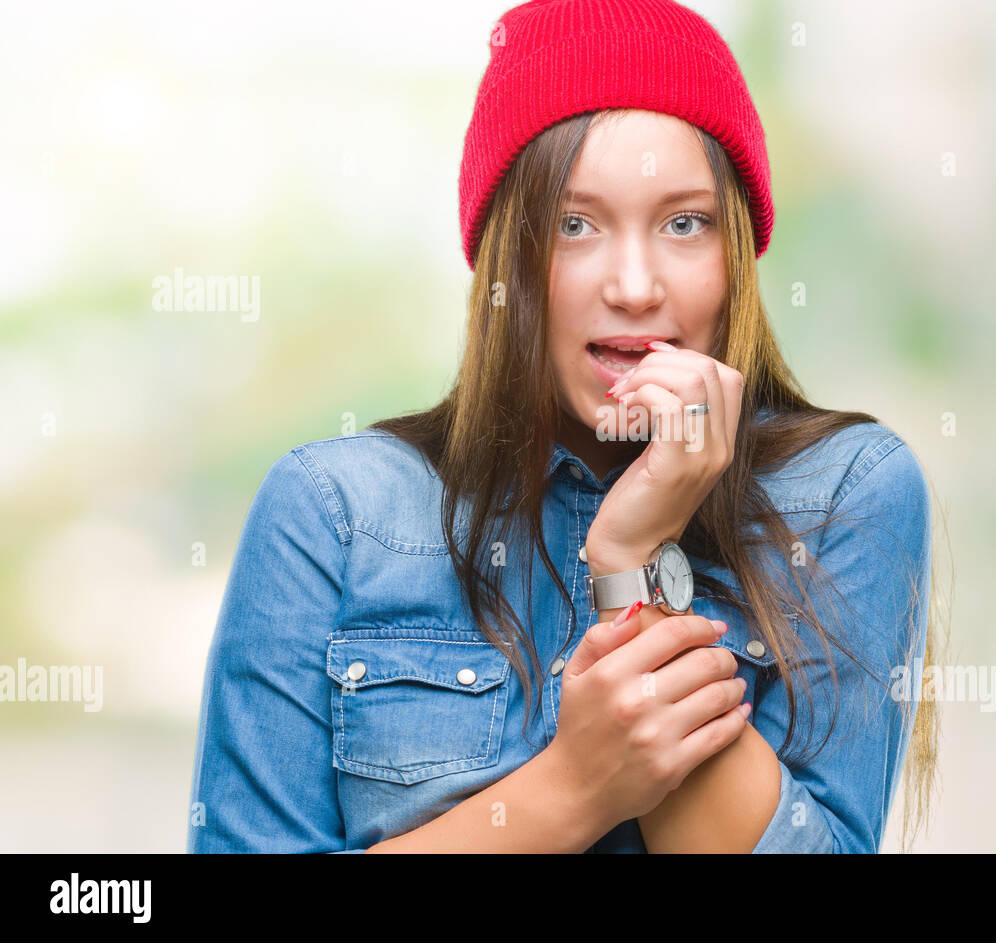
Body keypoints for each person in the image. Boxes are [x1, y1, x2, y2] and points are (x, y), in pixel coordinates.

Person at [187, 0, 941, 854]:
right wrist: (575, 787)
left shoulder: (846, 492)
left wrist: (633, 565)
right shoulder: (334, 512)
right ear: (506, 255)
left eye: (683, 223)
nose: (633, 285)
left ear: (736, 255)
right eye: (574, 224)